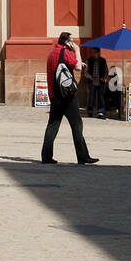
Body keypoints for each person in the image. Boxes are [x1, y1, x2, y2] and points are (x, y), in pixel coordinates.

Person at [41, 33, 98, 165]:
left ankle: (46, 157)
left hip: (55, 95)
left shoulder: (51, 54)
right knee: (77, 125)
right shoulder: (65, 52)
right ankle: (83, 156)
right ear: (67, 42)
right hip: (67, 96)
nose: (73, 44)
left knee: (52, 126)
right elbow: (77, 67)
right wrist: (77, 50)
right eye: (71, 41)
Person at [84, 48, 108, 119]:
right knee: (91, 97)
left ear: (98, 53)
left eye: (94, 52)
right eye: (92, 52)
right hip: (92, 82)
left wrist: (104, 78)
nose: (93, 53)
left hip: (101, 82)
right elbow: (86, 72)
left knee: (101, 97)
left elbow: (106, 71)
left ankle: (100, 112)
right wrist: (89, 77)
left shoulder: (103, 61)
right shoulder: (89, 60)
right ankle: (90, 111)